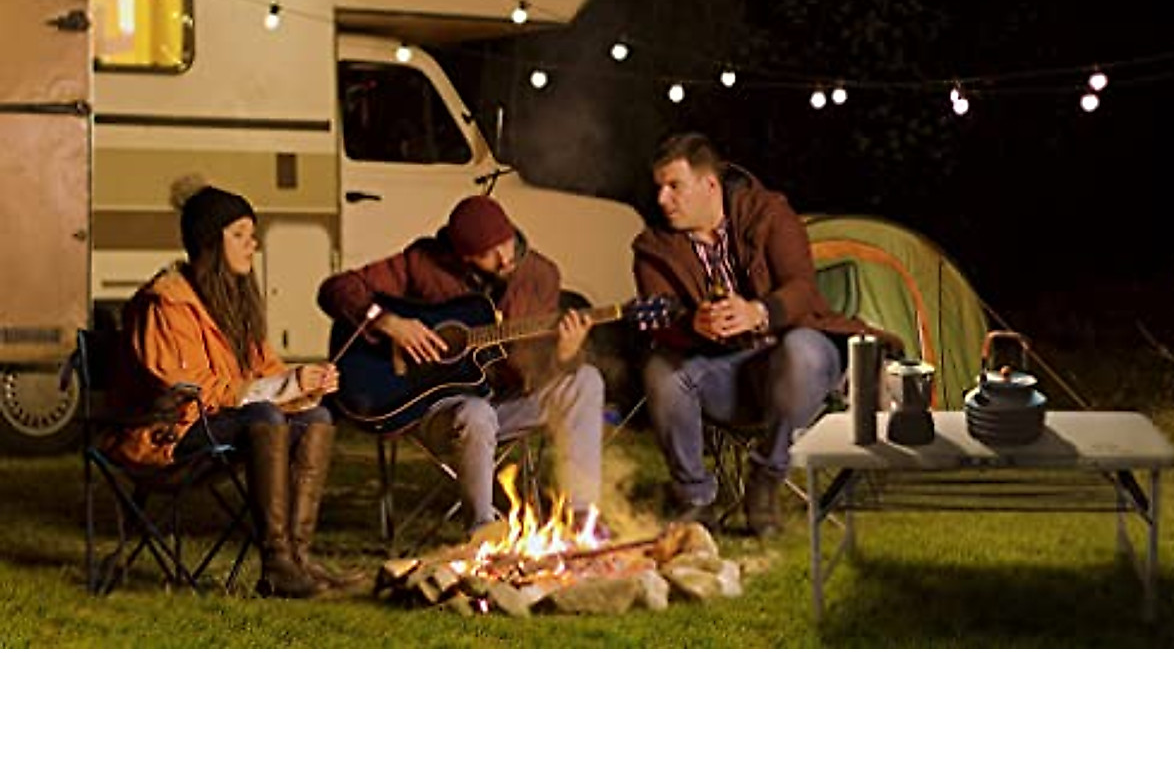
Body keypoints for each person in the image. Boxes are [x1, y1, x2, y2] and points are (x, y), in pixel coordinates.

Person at [632, 133, 903, 537]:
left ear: (709, 185)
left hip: (793, 358)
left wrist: (757, 312)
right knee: (661, 370)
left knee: (801, 349)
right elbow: (657, 320)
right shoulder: (653, 247)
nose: (662, 200)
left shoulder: (768, 212)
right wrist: (693, 324)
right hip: (724, 373)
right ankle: (695, 499)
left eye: (674, 186)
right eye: (658, 189)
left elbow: (802, 288)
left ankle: (766, 477)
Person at [108, 183, 347, 598]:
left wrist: (307, 385)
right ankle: (275, 560)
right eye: (238, 235)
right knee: (265, 416)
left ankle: (296, 559)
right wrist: (284, 386)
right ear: (208, 242)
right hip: (166, 434)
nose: (251, 245)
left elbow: (265, 372)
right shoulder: (166, 304)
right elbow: (190, 390)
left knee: (316, 419)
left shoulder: (232, 303)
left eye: (252, 235)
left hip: (217, 426)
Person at [318, 195, 606, 539]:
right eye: (489, 253)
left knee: (586, 379)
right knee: (475, 412)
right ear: (464, 256)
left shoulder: (539, 275)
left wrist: (564, 354)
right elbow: (336, 289)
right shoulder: (423, 263)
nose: (505, 257)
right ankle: (484, 534)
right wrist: (389, 323)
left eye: (506, 242)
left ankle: (580, 516)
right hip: (439, 409)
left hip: (508, 401)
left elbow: (533, 372)